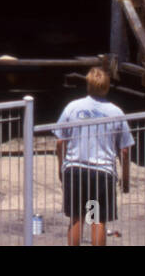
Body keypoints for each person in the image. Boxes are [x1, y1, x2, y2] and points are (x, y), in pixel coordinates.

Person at [53, 67, 134, 246]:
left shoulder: (72, 107)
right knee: (96, 219)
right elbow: (125, 150)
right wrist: (126, 178)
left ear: (88, 85)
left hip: (75, 169)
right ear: (107, 86)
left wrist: (61, 167)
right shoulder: (116, 112)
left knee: (76, 218)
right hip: (101, 172)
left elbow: (60, 142)